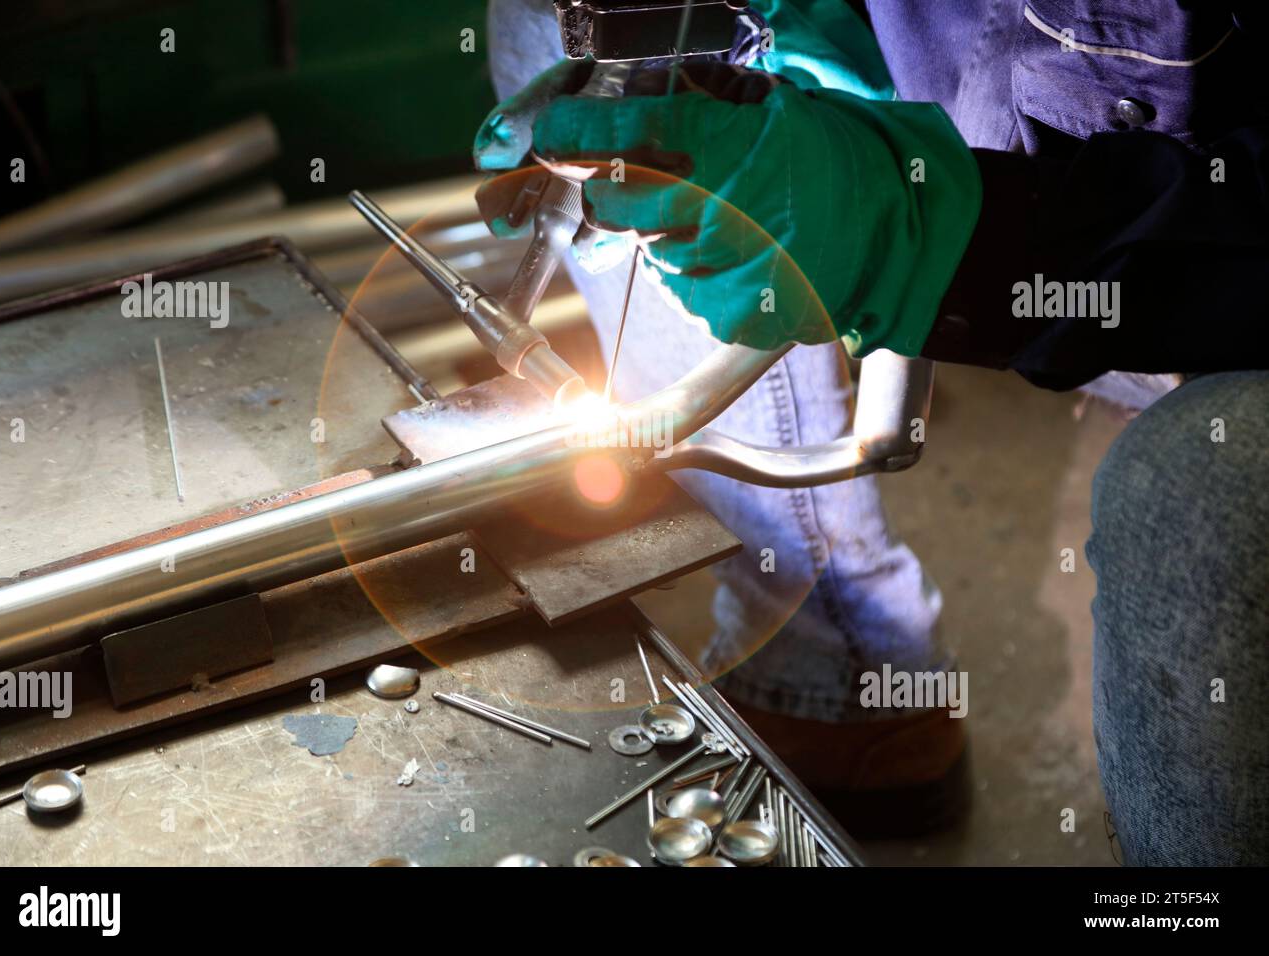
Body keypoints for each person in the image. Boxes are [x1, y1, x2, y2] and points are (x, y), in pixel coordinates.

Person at [476, 0, 1269, 864]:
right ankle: (836, 675)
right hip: (996, 130)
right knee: (545, 24)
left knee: (1202, 497)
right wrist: (811, 31)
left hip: (1192, 247)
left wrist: (923, 231)